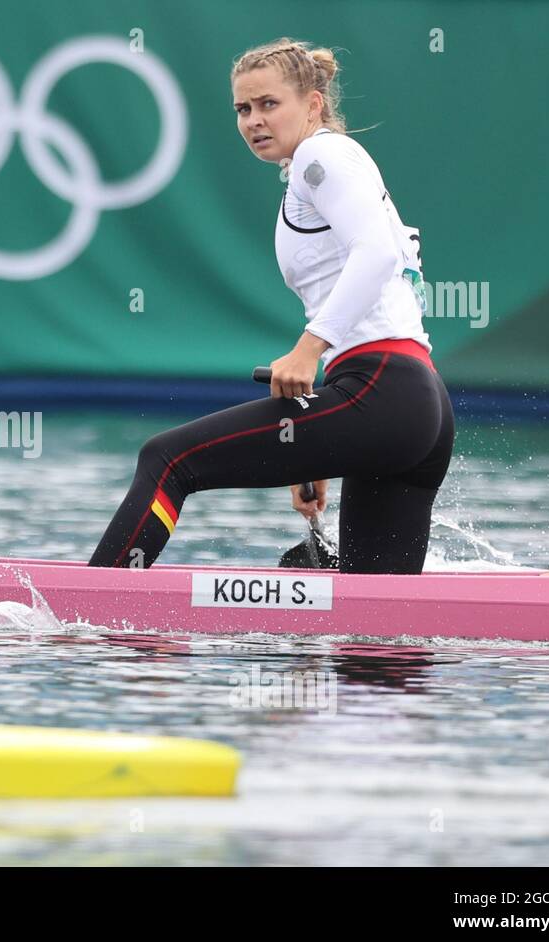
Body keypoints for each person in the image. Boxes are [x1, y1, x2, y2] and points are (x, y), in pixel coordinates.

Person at [89, 38, 452, 574]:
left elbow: (374, 255)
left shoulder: (319, 155)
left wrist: (308, 351)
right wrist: (323, 443)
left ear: (312, 104)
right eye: (243, 108)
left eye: (268, 104)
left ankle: (89, 609)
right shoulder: (331, 166)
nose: (253, 120)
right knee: (374, 634)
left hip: (383, 392)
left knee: (166, 461)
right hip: (413, 408)